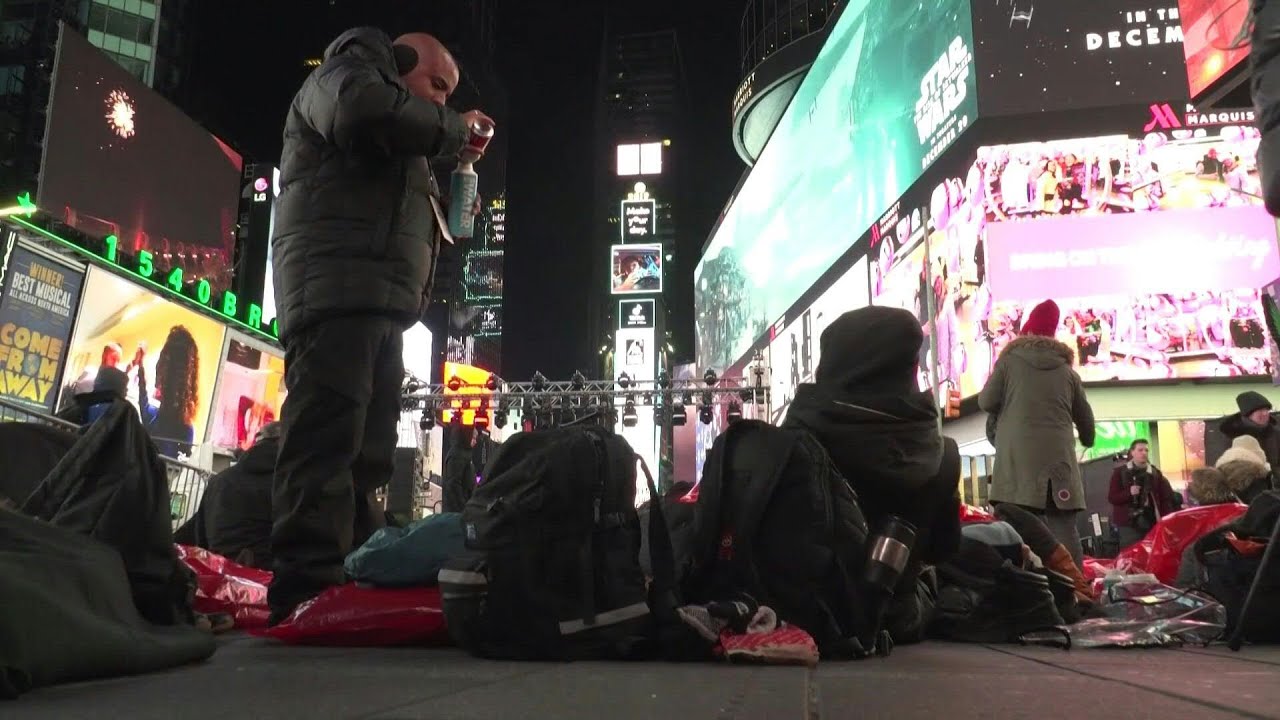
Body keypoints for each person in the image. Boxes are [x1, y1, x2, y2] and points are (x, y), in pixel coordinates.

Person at [267, 27, 493, 623]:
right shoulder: (343, 74)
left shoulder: (403, 137)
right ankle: (305, 588)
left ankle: (349, 573)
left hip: (379, 304)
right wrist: (451, 130)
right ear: (398, 62)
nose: (442, 101)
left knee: (368, 452)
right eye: (436, 85)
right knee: (326, 440)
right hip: (337, 292)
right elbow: (361, 110)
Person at [782, 306, 962, 640]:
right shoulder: (944, 456)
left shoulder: (797, 436)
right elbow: (943, 549)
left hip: (800, 613)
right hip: (894, 619)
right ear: (909, 367)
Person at [979, 299, 1095, 567]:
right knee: (1064, 529)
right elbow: (1086, 421)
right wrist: (1087, 439)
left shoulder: (1009, 363)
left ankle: (1024, 591)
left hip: (1016, 466)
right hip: (1059, 467)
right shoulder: (1068, 373)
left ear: (1027, 332)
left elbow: (986, 401)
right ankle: (1077, 593)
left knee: (1016, 530)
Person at [174, 423, 280, 570]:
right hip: (264, 583)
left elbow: (197, 533)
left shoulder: (221, 480)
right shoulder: (288, 486)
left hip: (216, 579)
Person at [1107, 439, 1178, 549]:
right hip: (1128, 523)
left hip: (1152, 521)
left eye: (1146, 450)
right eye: (1140, 450)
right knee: (1130, 554)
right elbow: (1112, 498)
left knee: (1152, 553)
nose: (1144, 453)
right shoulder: (1120, 472)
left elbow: (1166, 498)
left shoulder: (1155, 473)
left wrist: (1166, 520)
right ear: (1132, 452)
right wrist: (1129, 493)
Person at [1218, 391, 1280, 469]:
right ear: (1248, 414)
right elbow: (1228, 465)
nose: (1265, 413)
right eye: (1260, 410)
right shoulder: (1232, 434)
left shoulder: (1275, 433)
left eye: (1266, 410)